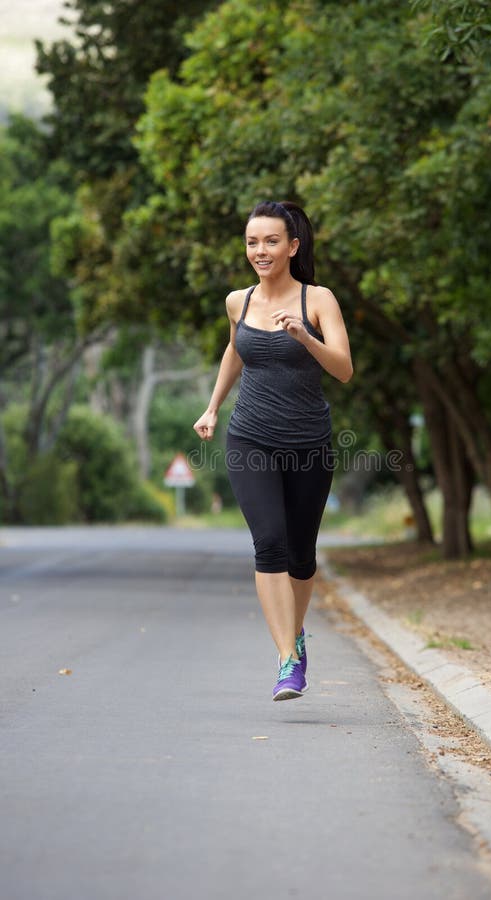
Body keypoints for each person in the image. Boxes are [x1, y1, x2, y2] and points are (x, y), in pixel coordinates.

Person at [193, 200, 353, 701]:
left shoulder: (318, 299)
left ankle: (296, 634)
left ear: (292, 246)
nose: (259, 251)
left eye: (270, 241)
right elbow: (235, 350)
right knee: (270, 544)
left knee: (302, 556)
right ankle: (288, 660)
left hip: (308, 443)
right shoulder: (237, 302)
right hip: (250, 438)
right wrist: (213, 407)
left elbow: (344, 369)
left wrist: (305, 337)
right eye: (251, 242)